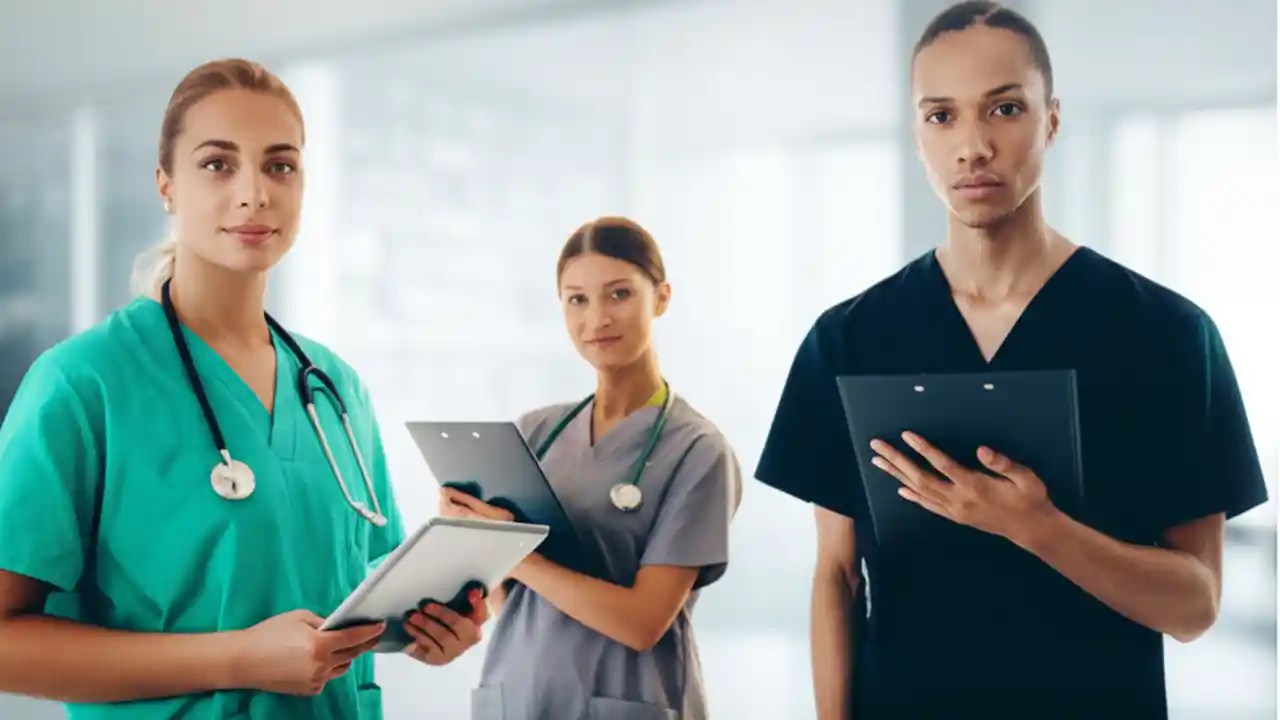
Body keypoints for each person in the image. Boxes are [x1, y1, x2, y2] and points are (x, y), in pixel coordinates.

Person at [754, 3, 1268, 719]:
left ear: (1050, 120)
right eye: (942, 116)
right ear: (918, 134)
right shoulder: (848, 340)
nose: (972, 146)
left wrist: (1038, 527)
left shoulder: (1168, 336)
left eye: (1004, 109)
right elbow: (837, 578)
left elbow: (1195, 607)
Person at [0, 59, 487, 719]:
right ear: (166, 185)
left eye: (280, 166)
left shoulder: (335, 389)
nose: (255, 193)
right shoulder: (82, 385)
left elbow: (351, 597)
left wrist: (426, 628)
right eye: (217, 164)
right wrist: (238, 659)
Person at [439, 217, 743, 720]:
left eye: (619, 294)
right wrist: (474, 539)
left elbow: (642, 622)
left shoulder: (698, 450)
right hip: (519, 695)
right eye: (576, 299)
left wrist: (513, 552)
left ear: (661, 297)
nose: (596, 318)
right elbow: (509, 603)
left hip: (631, 700)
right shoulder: (536, 432)